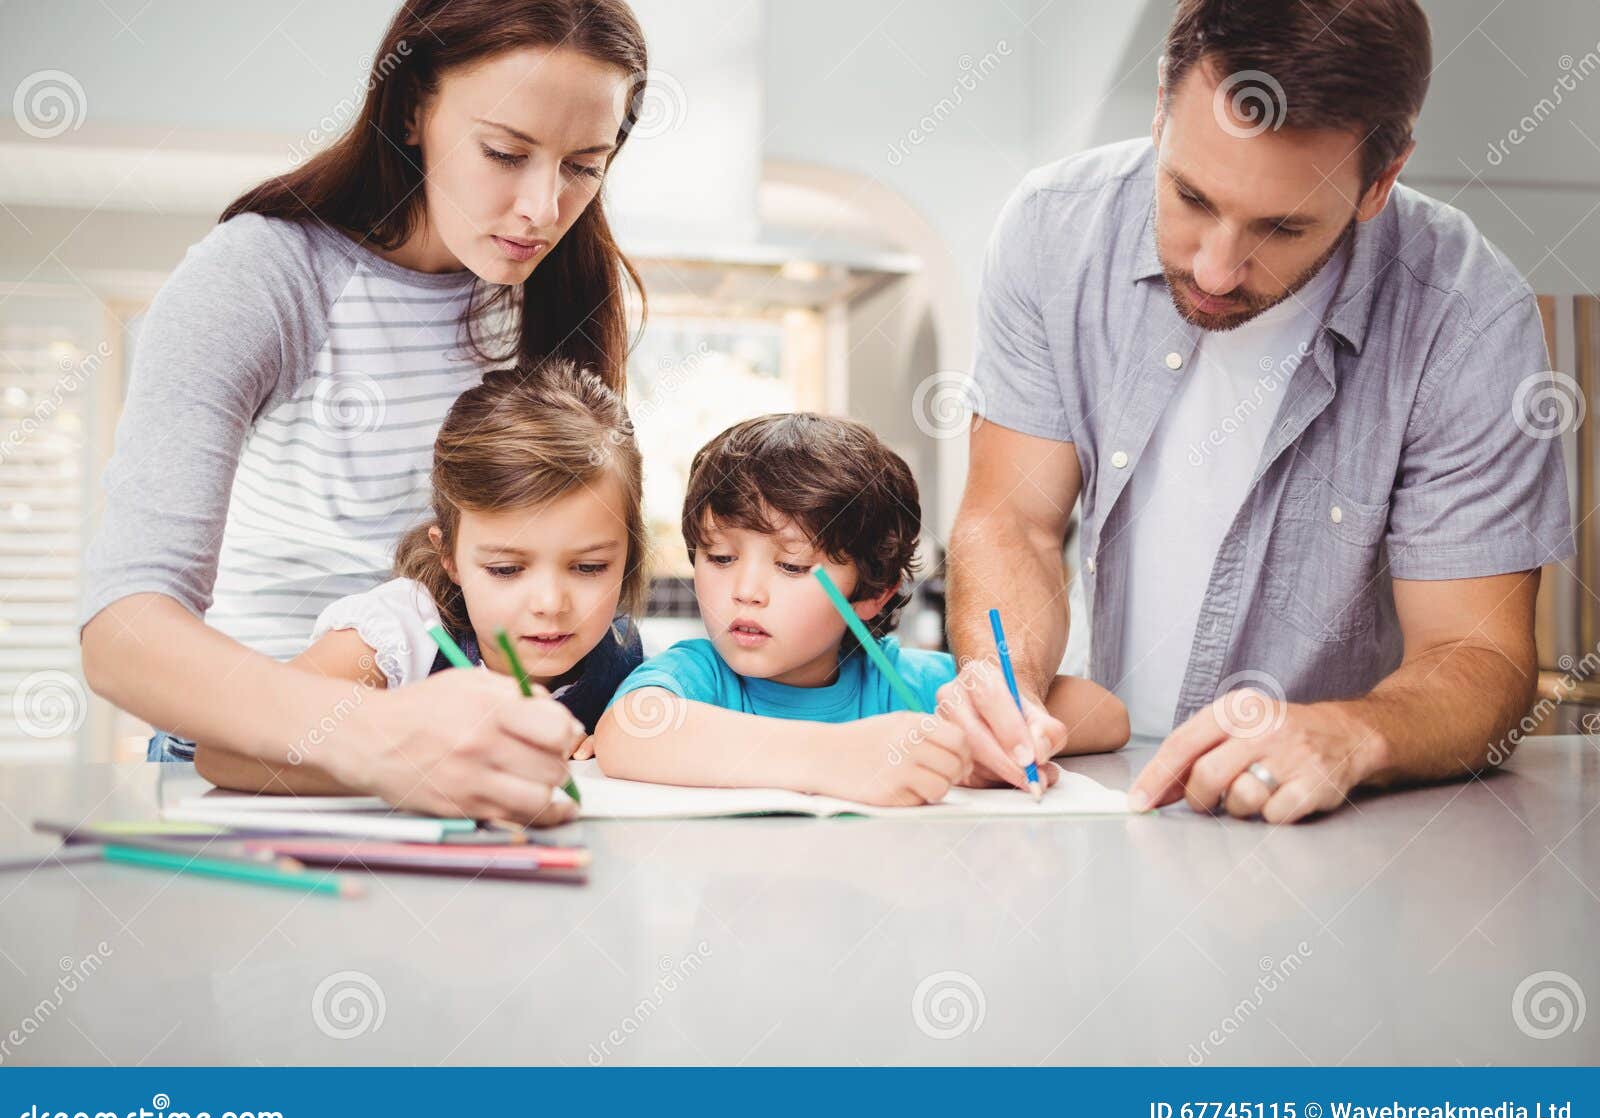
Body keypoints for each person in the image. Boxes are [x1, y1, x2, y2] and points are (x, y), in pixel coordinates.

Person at [941, 0, 1572, 822]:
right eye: (1192, 197)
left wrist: (1349, 737)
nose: (1214, 268)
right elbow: (1013, 519)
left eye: (1281, 227)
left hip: (1338, 828)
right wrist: (1003, 682)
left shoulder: (1467, 318)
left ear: (1380, 183)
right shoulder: (1053, 231)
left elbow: (1477, 654)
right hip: (1104, 800)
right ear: (1162, 110)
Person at [79, 0, 653, 824]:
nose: (541, 208)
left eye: (583, 165)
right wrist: (380, 739)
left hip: (461, 757)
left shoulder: (561, 291)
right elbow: (124, 630)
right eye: (504, 152)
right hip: (251, 770)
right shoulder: (262, 278)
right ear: (413, 105)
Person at [194, 361, 647, 824]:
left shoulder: (619, 651)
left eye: (590, 567)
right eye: (506, 569)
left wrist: (624, 745)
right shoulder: (399, 633)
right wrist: (405, 759)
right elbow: (225, 751)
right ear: (447, 554)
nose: (551, 604)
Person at [595, 414, 1129, 806]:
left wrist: (997, 734)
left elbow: (1106, 714)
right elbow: (626, 734)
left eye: (792, 566)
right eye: (721, 557)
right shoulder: (698, 674)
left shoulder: (905, 681)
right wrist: (838, 757)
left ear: (872, 591)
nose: (745, 590)